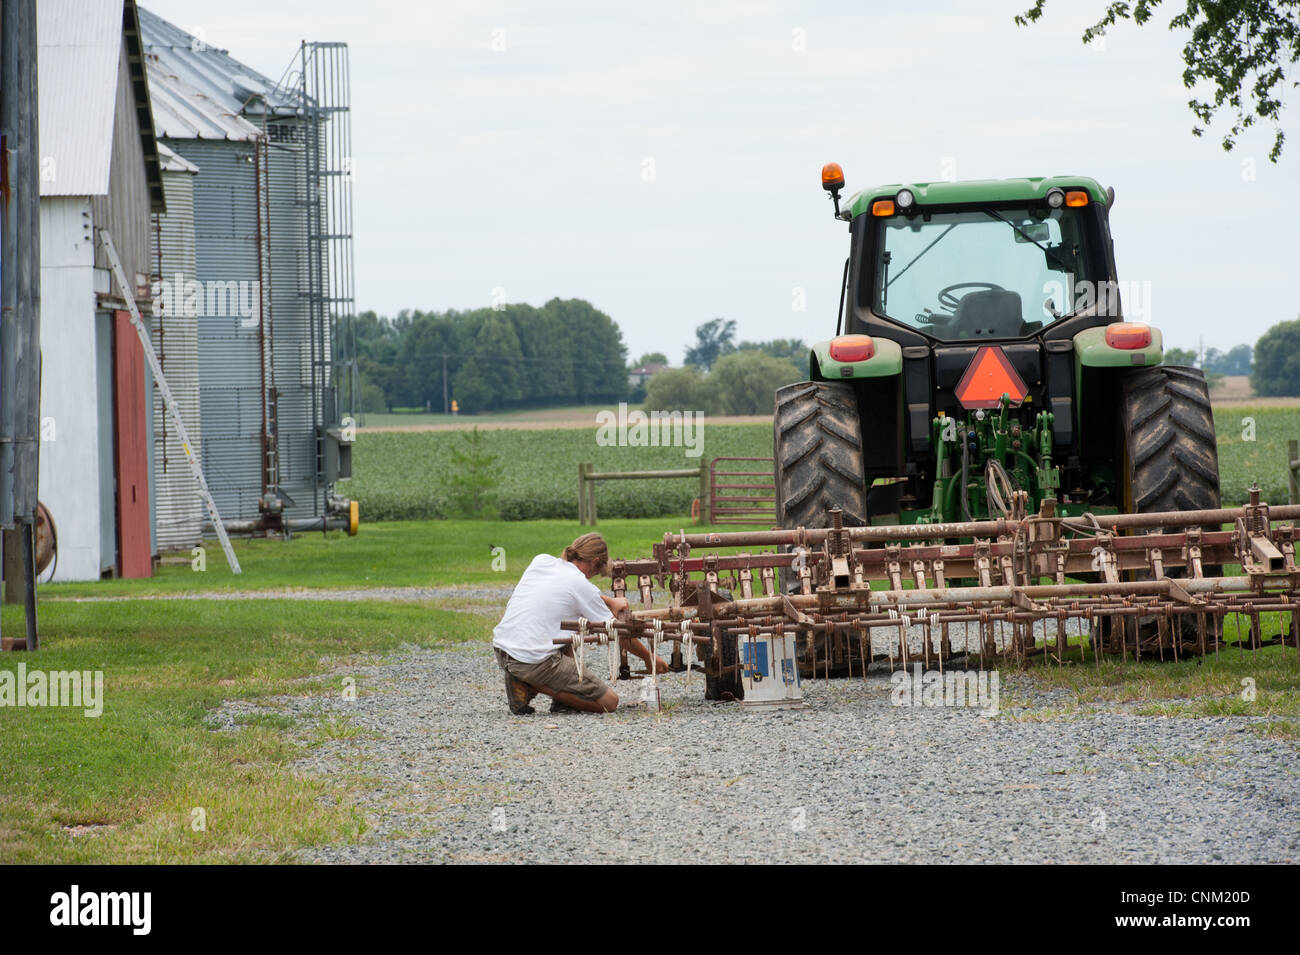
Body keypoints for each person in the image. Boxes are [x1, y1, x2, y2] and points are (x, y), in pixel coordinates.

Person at [492, 533, 669, 715]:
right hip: (530, 660)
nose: (594, 576)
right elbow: (616, 632)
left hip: (503, 648)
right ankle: (527, 683)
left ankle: (558, 698)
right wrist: (649, 657)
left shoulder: (542, 561)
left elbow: (564, 591)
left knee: (568, 635)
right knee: (609, 702)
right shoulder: (580, 584)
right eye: (598, 571)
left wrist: (609, 602)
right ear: (595, 562)